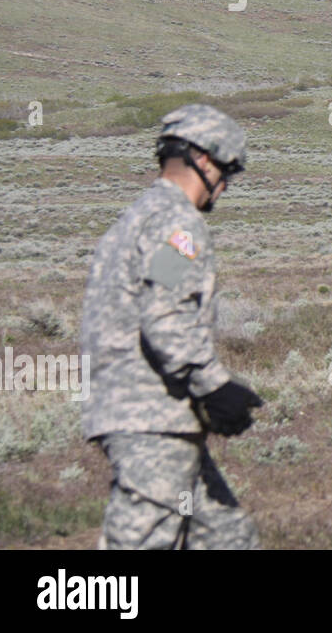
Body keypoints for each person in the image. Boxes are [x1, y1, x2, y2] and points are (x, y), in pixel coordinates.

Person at [79, 103, 263, 549]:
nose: (225, 185)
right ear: (203, 160)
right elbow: (164, 313)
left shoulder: (139, 216)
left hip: (155, 416)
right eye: (226, 170)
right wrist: (215, 385)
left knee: (226, 537)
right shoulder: (177, 223)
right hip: (150, 423)